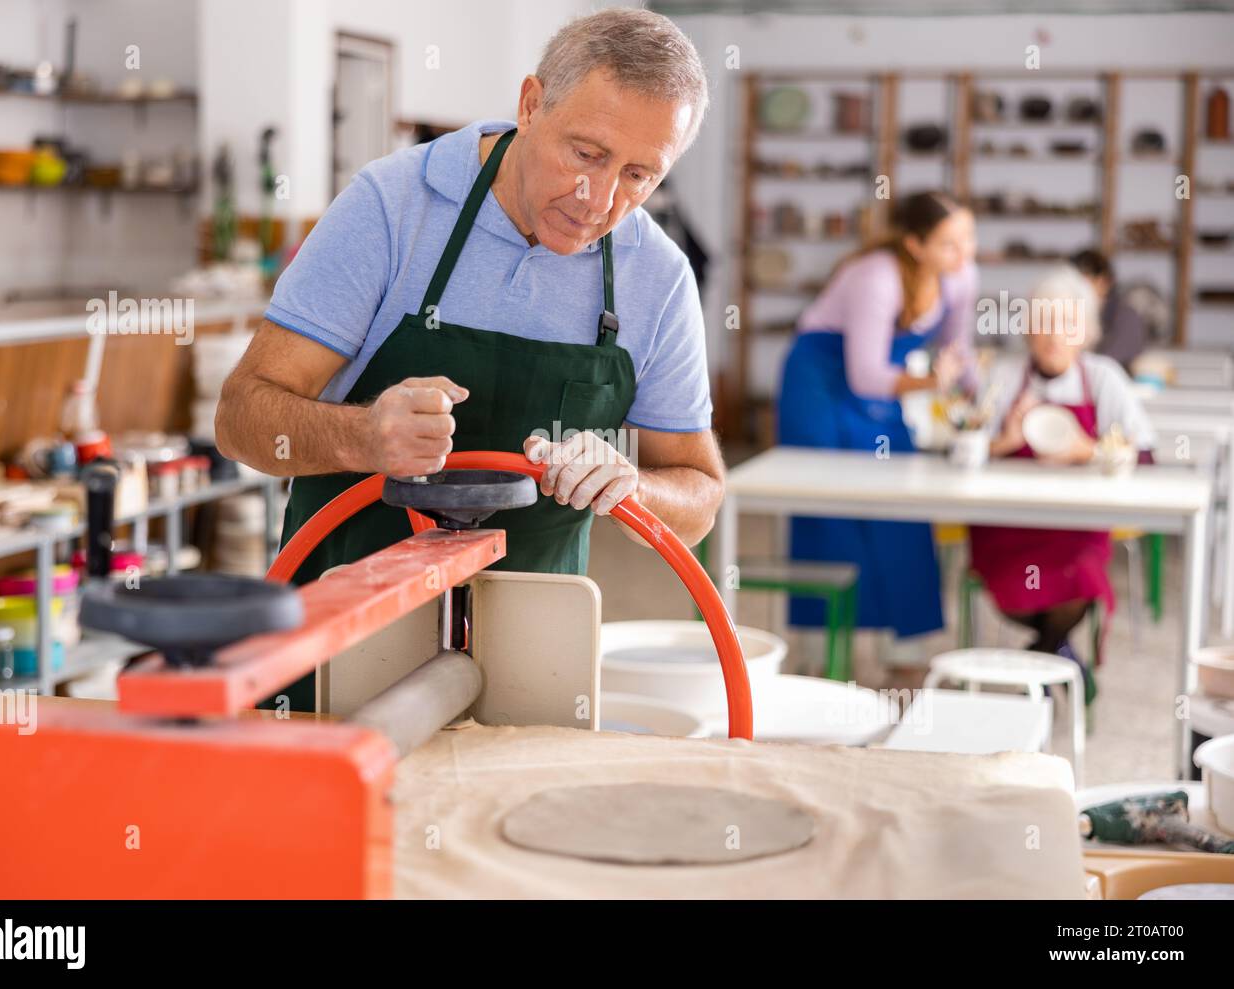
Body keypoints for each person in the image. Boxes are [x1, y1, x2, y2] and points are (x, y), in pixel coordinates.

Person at [214, 9, 725, 710]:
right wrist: (364, 436)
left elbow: (698, 497)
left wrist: (630, 485)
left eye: (640, 174)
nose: (599, 201)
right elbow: (242, 419)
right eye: (585, 153)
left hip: (536, 668)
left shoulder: (657, 277)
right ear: (530, 104)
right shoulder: (392, 208)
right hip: (347, 646)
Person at [777, 191, 979, 642]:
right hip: (819, 384)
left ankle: (903, 647)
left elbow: (956, 349)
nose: (964, 252)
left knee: (899, 499)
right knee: (826, 508)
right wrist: (932, 382)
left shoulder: (961, 277)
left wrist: (975, 399)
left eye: (968, 237)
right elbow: (866, 375)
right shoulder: (876, 276)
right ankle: (823, 646)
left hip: (880, 380)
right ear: (915, 245)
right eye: (950, 243)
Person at [969, 266, 1156, 697]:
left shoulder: (1103, 378)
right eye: (1042, 325)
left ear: (1086, 331)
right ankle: (1061, 661)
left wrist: (1089, 451)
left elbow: (1146, 454)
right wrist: (1001, 443)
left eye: (1065, 325)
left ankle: (1042, 664)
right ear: (1027, 330)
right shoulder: (1004, 377)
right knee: (1013, 587)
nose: (1053, 337)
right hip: (1006, 528)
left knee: (1081, 577)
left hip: (1077, 530)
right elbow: (962, 452)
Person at [1070, 248, 1148, 370]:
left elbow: (1108, 364)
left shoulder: (1126, 317)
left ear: (1104, 282)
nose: (1074, 290)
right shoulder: (1073, 313)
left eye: (1081, 283)